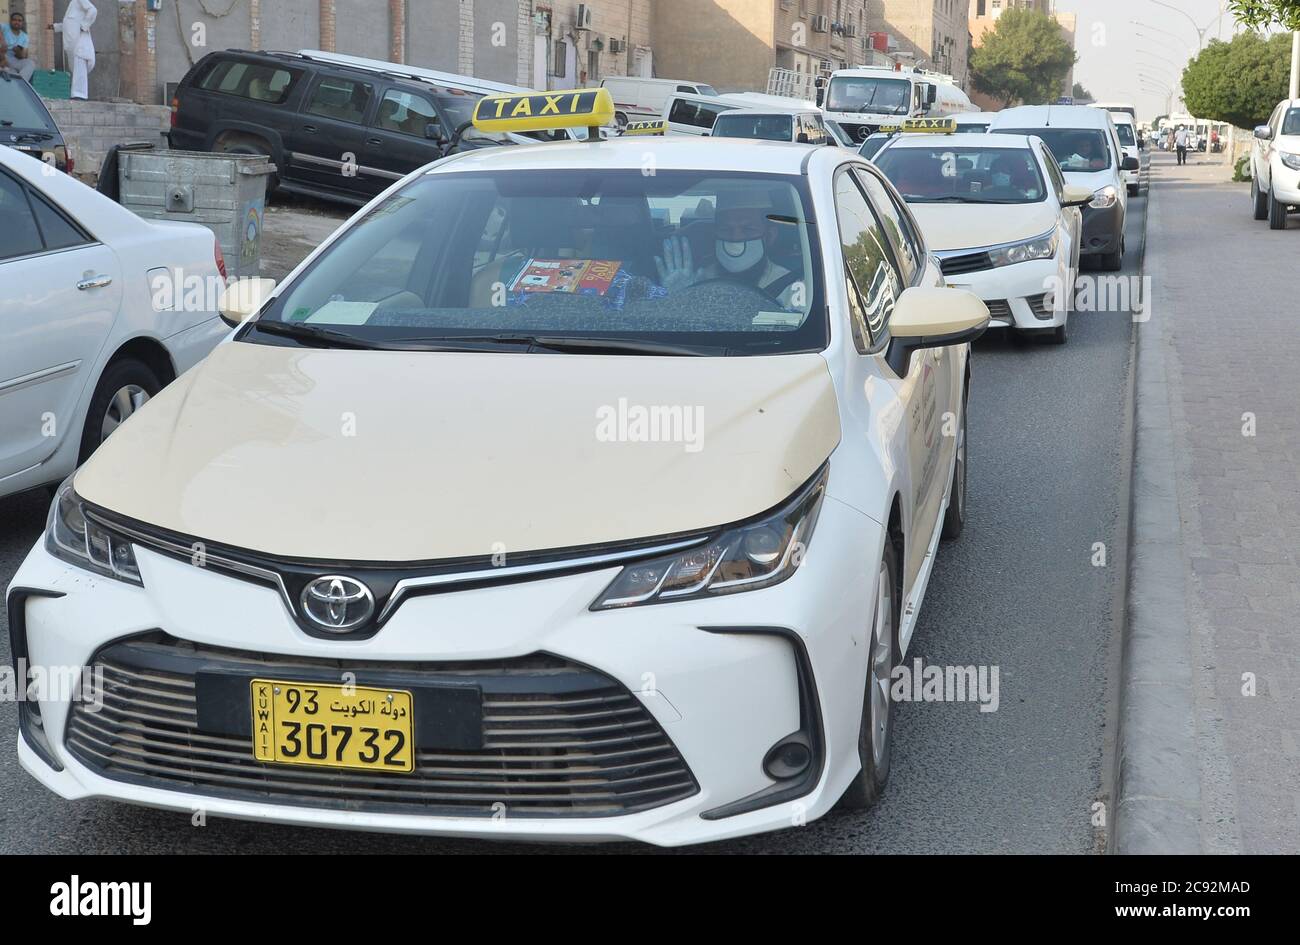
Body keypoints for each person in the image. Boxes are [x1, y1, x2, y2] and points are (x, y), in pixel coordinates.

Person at [655, 189, 802, 308]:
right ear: (714, 234)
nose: (735, 238)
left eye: (748, 229)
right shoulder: (698, 279)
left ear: (769, 236)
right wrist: (678, 298)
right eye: (725, 229)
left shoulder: (792, 287)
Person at [50, 0, 97, 100]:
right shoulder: (72, 4)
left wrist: (84, 25)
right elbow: (68, 24)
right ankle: (76, 94)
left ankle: (79, 95)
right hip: (72, 45)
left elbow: (93, 10)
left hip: (80, 44)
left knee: (80, 69)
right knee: (76, 70)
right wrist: (54, 27)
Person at [2, 11, 35, 82]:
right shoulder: (4, 27)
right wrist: (2, 41)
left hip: (14, 58)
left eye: (19, 20)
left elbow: (23, 56)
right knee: (11, 71)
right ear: (10, 21)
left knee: (30, 63)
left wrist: (18, 52)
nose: (17, 22)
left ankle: (21, 82)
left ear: (22, 23)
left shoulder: (25, 36)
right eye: (14, 20)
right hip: (2, 55)